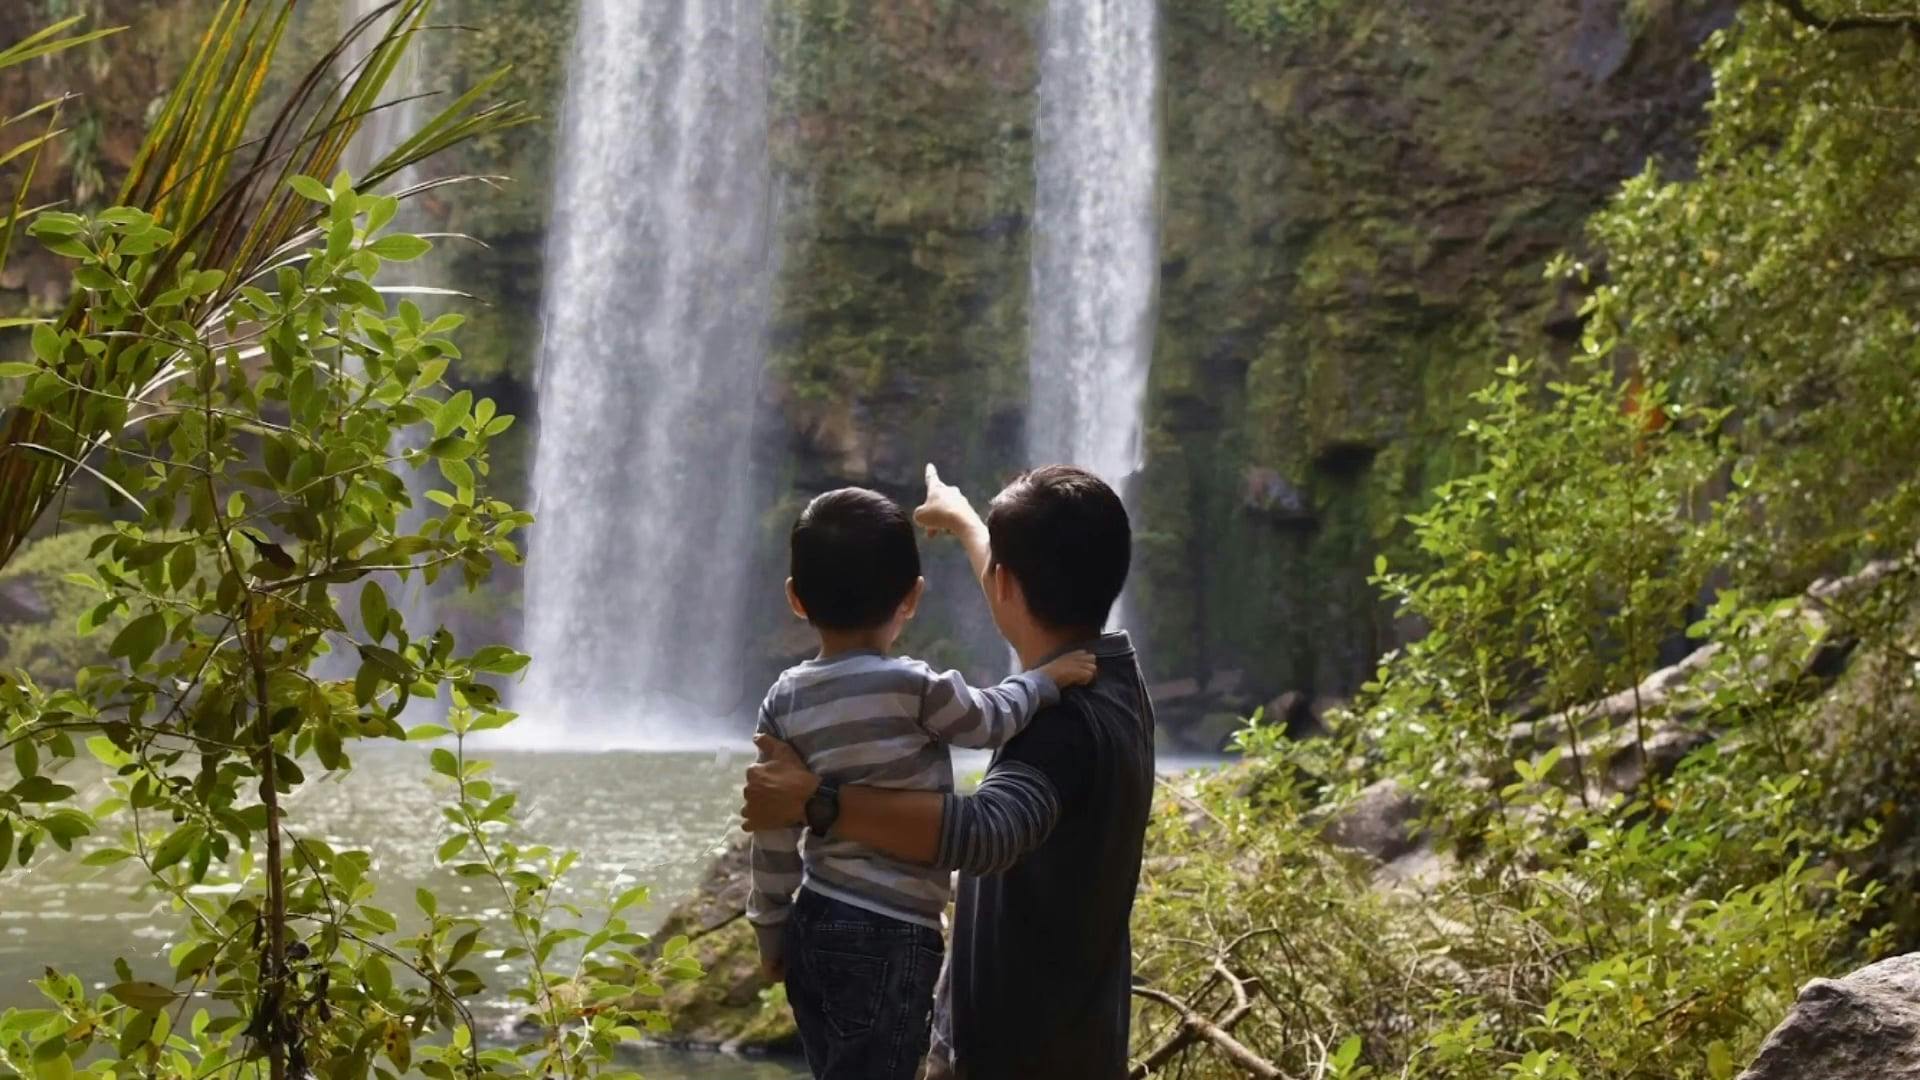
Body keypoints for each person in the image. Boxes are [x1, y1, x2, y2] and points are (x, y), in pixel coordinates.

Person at [743, 465, 1157, 1079]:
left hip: (1021, 1054)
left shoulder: (1066, 721)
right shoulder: (1109, 673)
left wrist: (815, 801)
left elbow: (985, 832)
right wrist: (964, 520)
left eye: (994, 566)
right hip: (1062, 1037)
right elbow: (1017, 595)